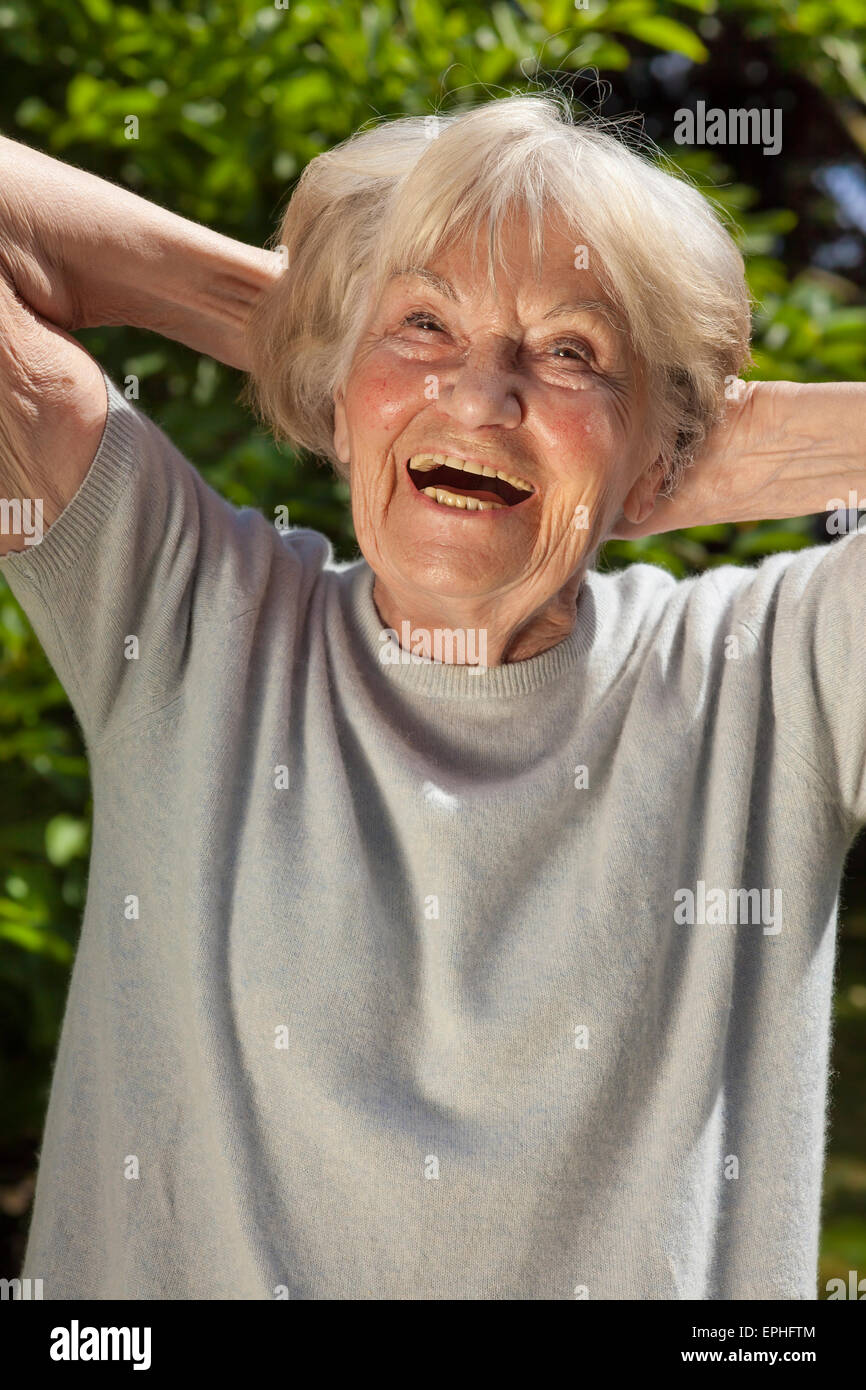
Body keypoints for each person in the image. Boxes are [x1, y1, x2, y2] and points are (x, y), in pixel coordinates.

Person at [1, 92, 864, 1300]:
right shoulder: (186, 614)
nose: (477, 397)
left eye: (569, 353)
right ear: (334, 393)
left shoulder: (775, 672)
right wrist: (305, 320)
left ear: (664, 458)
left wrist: (731, 451)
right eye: (422, 325)